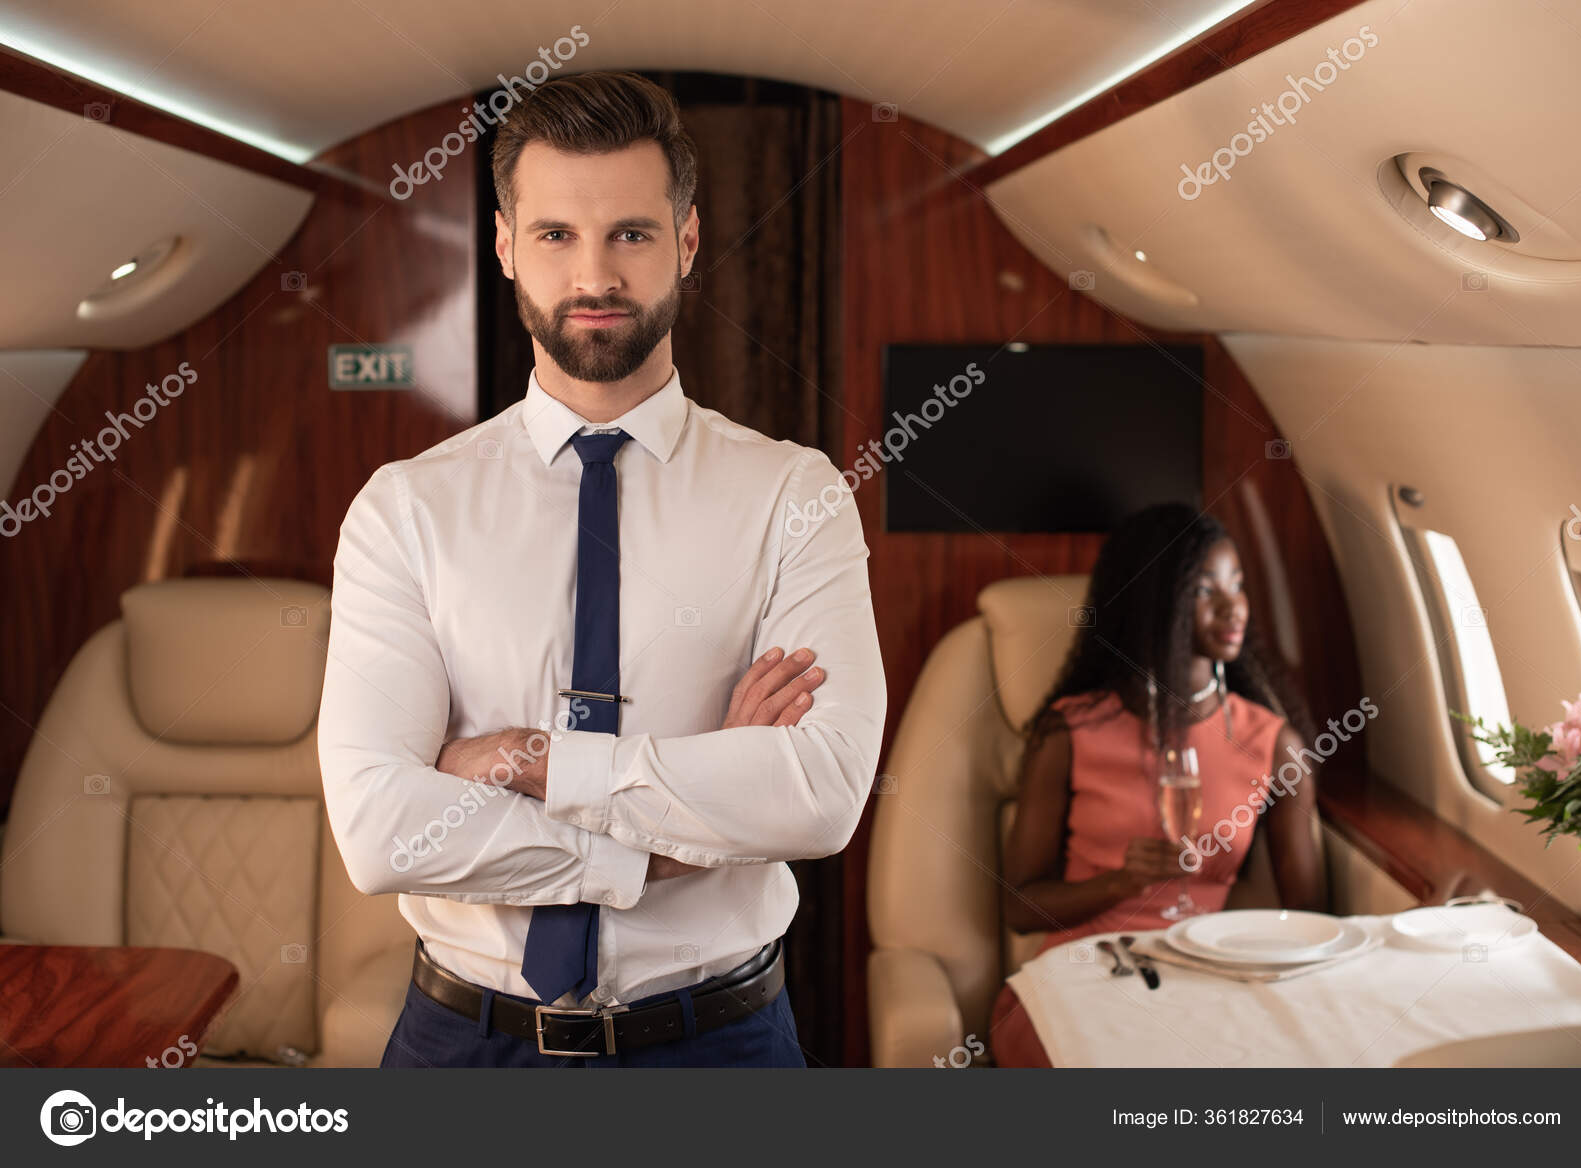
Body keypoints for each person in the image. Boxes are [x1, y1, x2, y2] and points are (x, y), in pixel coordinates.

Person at [317, 70, 887, 1067]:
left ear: (687, 242)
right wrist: (672, 835)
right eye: (554, 235)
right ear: (503, 246)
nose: (596, 275)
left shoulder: (797, 495)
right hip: (463, 1044)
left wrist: (528, 761)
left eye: (630, 233)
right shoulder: (403, 509)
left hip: (721, 1043)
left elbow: (821, 791)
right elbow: (380, 830)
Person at [989, 503, 1327, 1067]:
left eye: (1238, 584)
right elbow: (1021, 908)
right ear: (1153, 601)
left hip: (1208, 976)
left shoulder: (1274, 742)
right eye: (1203, 589)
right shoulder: (1069, 731)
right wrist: (1121, 882)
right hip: (1087, 969)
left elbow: (1311, 916)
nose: (1233, 605)